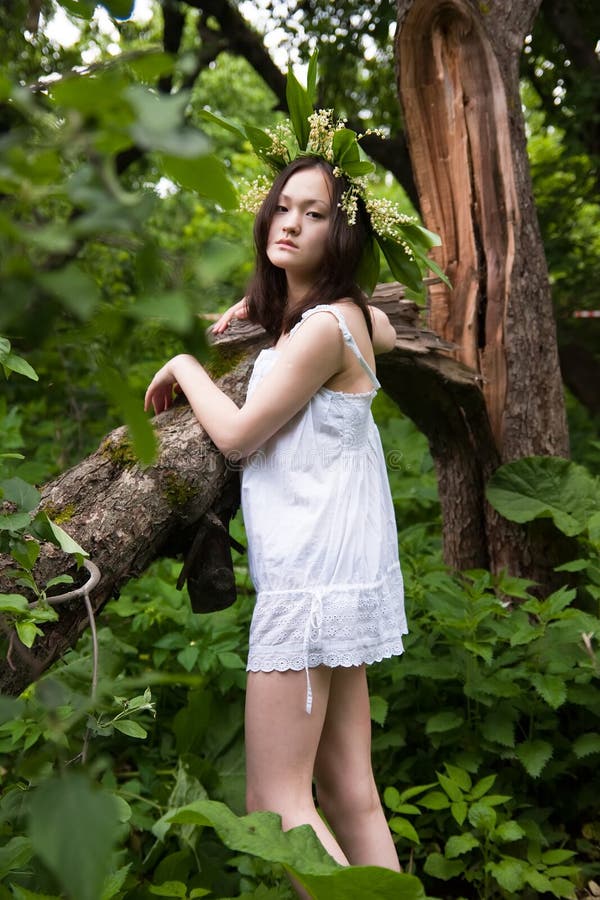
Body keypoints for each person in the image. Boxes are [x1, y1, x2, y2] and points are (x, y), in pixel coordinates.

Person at [145, 120, 412, 887]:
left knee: (275, 799)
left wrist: (186, 363)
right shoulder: (348, 319)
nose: (291, 221)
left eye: (317, 213)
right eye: (284, 206)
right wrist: (260, 306)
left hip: (307, 583)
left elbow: (233, 438)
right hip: (346, 573)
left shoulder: (319, 333)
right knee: (351, 795)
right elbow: (386, 328)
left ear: (344, 236)